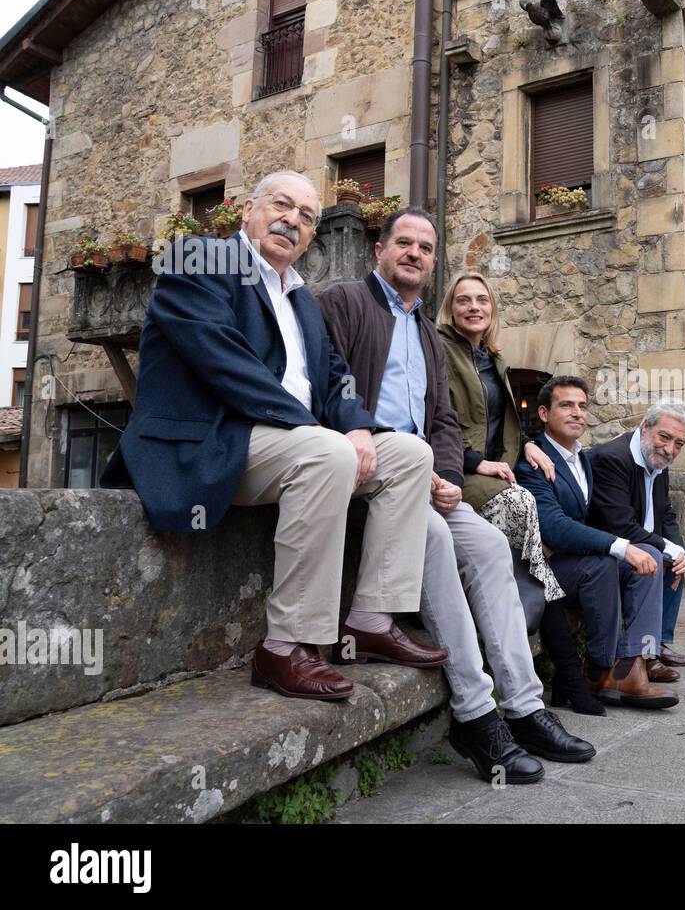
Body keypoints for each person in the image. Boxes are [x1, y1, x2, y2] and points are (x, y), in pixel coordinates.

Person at [102, 171, 445, 702]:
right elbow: (224, 363)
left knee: (408, 454)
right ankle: (286, 647)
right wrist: (317, 429)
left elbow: (335, 377)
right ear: (246, 211)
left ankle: (371, 620)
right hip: (211, 440)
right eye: (282, 205)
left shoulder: (303, 300)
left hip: (286, 442)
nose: (292, 220)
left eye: (307, 217)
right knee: (329, 452)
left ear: (311, 237)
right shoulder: (203, 260)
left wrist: (356, 423)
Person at [317, 207, 592, 783]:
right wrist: (364, 436)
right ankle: (475, 713)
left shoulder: (423, 333)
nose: (414, 253)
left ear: (432, 260)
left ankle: (524, 704)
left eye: (425, 247)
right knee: (438, 540)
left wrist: (444, 476)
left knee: (491, 545)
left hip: (426, 478)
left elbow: (442, 421)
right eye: (404, 243)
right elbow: (327, 384)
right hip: (367, 468)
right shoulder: (343, 302)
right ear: (380, 250)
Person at [435, 272, 605, 714]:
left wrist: (529, 443)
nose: (474, 307)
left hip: (500, 468)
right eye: (464, 300)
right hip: (459, 469)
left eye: (482, 301)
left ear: (492, 310)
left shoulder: (495, 359)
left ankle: (564, 672)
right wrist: (476, 462)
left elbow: (508, 421)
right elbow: (439, 419)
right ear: (450, 308)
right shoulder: (437, 347)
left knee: (525, 523)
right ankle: (563, 669)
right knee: (523, 505)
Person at [516, 376, 679, 709]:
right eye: (567, 405)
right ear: (544, 414)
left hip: (575, 559)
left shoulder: (583, 459)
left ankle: (634, 662)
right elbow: (554, 527)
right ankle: (600, 669)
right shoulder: (533, 461)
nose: (577, 413)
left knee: (648, 556)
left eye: (582, 406)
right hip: (544, 566)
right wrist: (619, 545)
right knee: (605, 562)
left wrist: (642, 548)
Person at [587, 397, 685, 669]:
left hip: (641, 542)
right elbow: (618, 525)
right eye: (665, 437)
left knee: (674, 561)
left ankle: (656, 643)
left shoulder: (657, 457)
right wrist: (667, 548)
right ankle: (640, 657)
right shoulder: (613, 458)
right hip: (608, 547)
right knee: (656, 556)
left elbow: (666, 513)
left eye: (679, 444)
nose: (670, 449)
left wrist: (679, 550)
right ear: (646, 426)